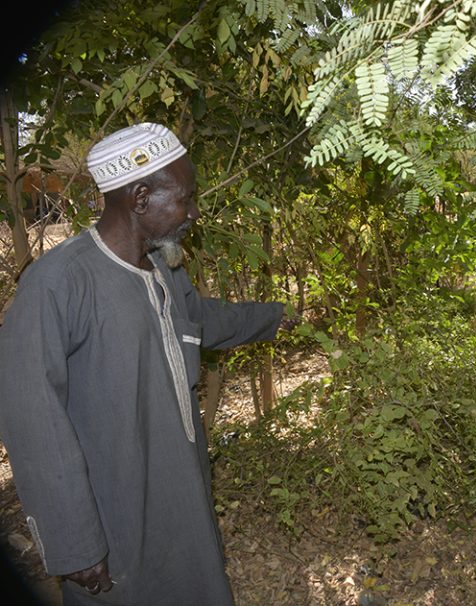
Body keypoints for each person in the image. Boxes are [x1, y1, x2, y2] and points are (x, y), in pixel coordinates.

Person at [0, 123, 287, 605]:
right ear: (139, 197)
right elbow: (31, 415)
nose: (194, 213)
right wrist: (75, 544)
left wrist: (275, 318)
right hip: (115, 514)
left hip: (182, 489)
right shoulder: (58, 283)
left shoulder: (164, 271)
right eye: (185, 199)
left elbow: (200, 320)